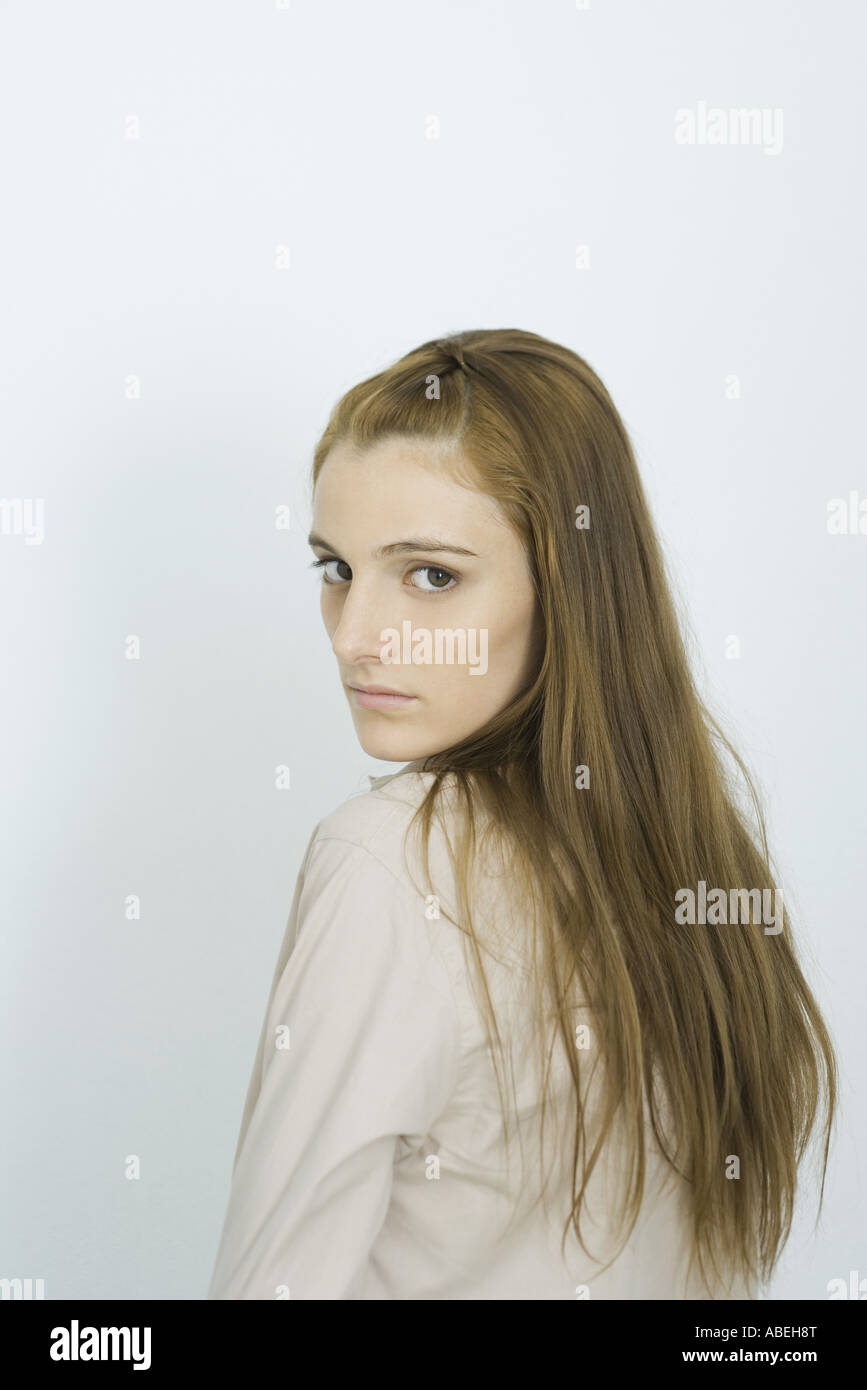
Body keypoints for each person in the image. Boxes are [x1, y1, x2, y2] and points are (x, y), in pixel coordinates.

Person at [206, 328, 837, 1300]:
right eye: (336, 568)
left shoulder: (384, 861)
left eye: (431, 575)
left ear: (568, 589)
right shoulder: (708, 860)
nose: (355, 636)